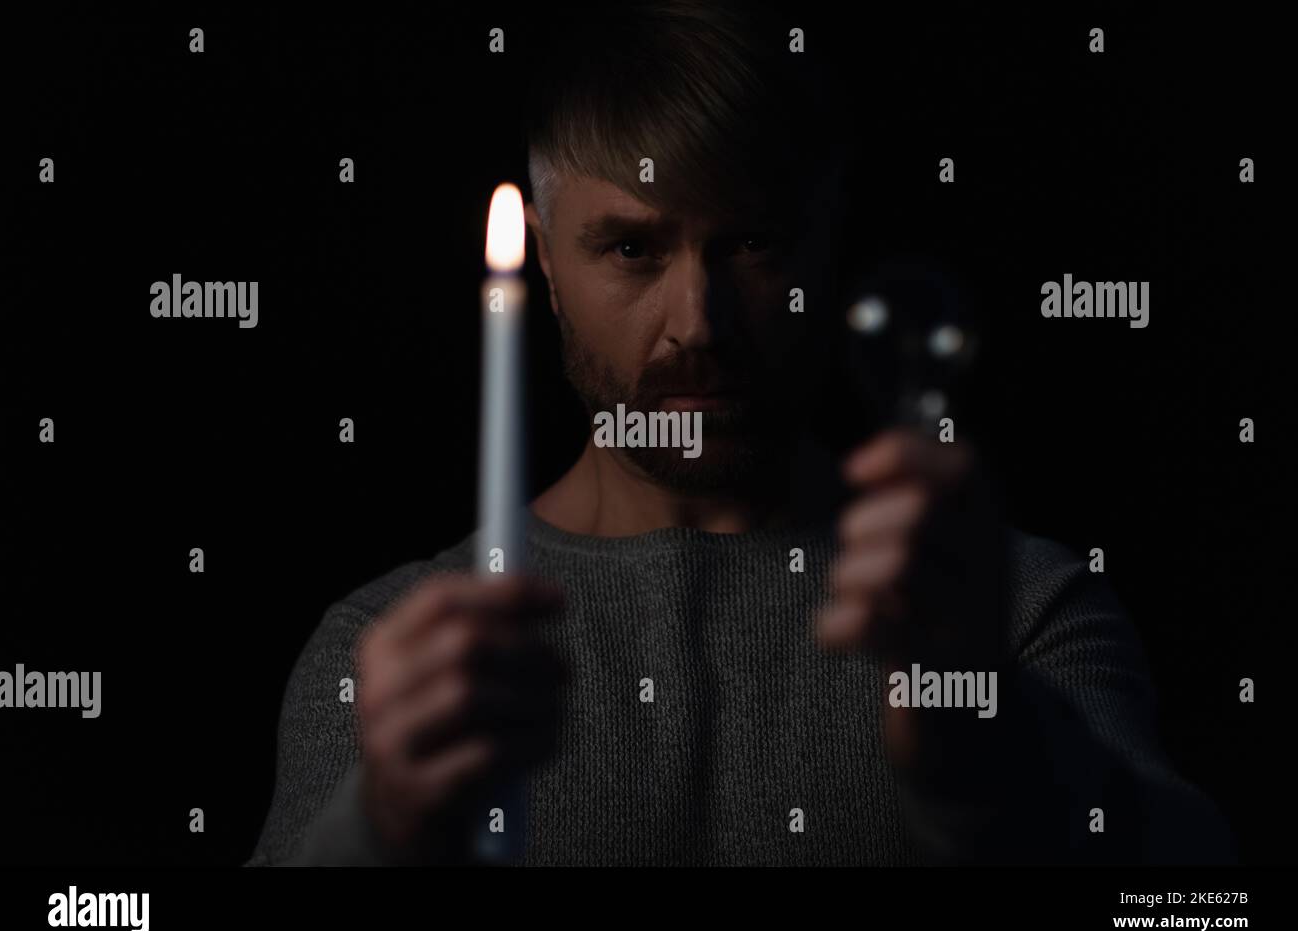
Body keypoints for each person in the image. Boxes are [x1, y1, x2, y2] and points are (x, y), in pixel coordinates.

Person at [245, 0, 1233, 866]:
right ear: (545, 264)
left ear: (826, 242)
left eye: (751, 242)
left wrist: (993, 746)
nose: (698, 324)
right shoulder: (392, 649)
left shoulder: (1011, 608)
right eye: (630, 247)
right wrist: (376, 827)